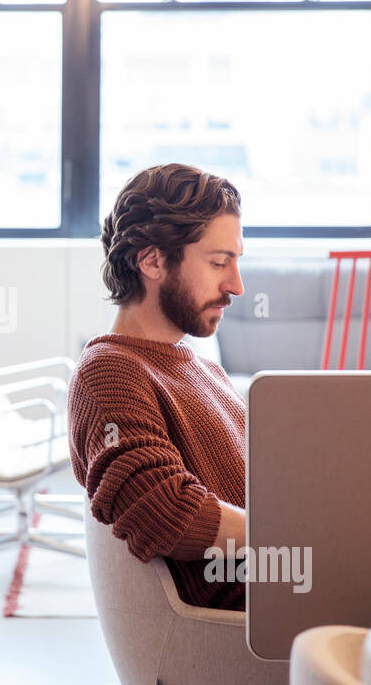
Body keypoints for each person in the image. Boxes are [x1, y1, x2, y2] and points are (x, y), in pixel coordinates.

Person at [66, 163, 248, 611]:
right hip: (254, 620)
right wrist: (307, 538)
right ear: (152, 261)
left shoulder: (199, 367)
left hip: (296, 586)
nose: (237, 286)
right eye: (219, 263)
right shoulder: (110, 373)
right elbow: (165, 509)